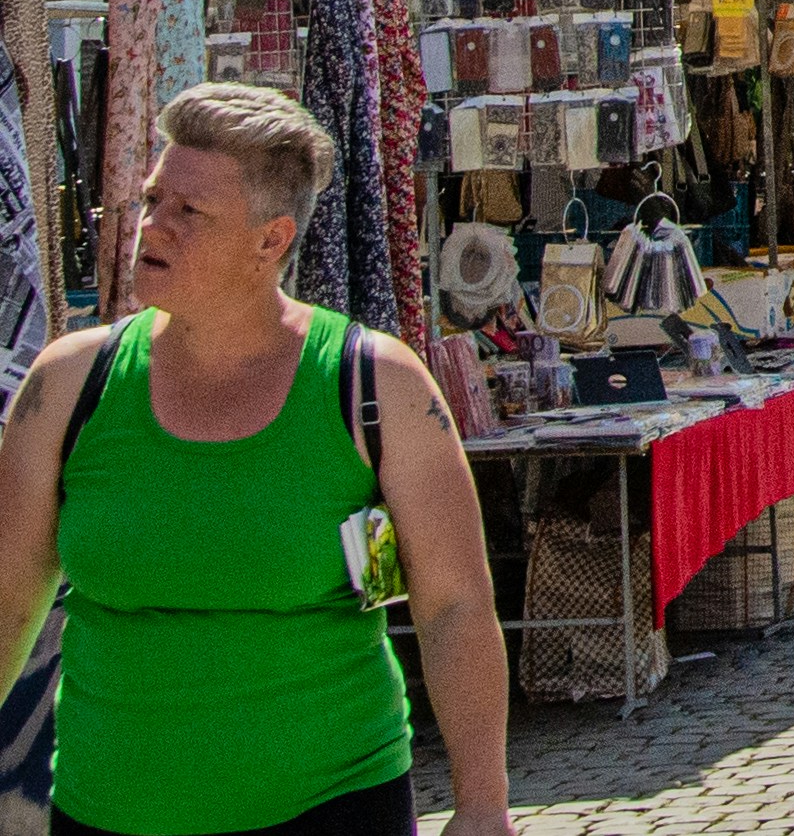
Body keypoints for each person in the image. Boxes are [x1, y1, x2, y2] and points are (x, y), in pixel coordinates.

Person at [0, 82, 514, 836]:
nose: (152, 226)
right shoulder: (70, 385)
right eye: (151, 200)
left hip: (331, 806)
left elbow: (454, 607)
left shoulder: (376, 385)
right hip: (106, 812)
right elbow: (9, 602)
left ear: (270, 240)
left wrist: (481, 805)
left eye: (188, 213)